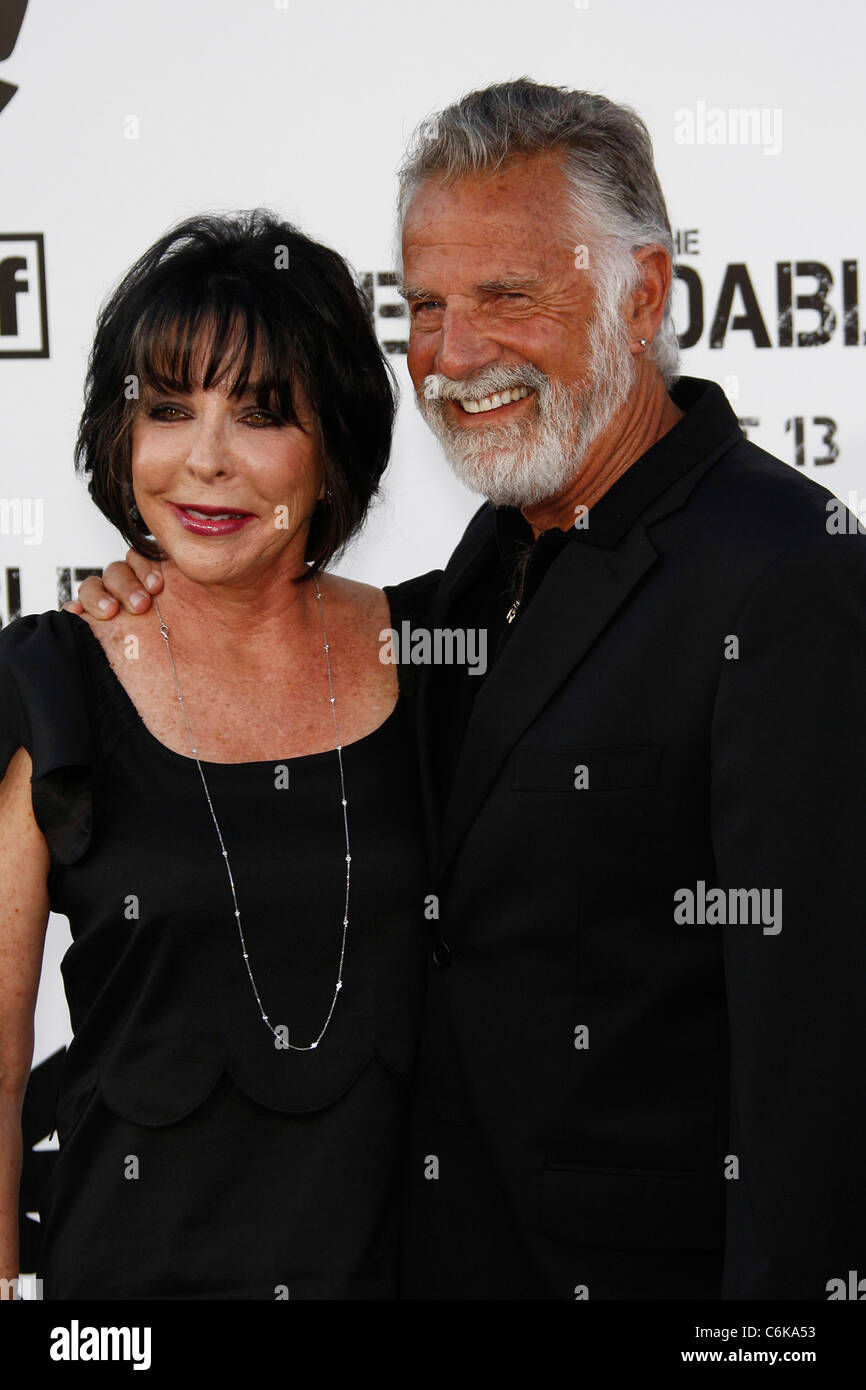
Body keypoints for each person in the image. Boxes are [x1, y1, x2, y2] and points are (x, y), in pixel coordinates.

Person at [71, 79, 866, 1301]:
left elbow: (820, 1069)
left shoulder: (783, 574)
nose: (452, 355)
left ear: (642, 294)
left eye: (506, 297)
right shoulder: (470, 580)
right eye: (425, 306)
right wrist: (171, 596)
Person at [0, 210, 435, 1300]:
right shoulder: (49, 683)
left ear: (333, 447)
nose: (203, 459)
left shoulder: (444, 654)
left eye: (259, 413)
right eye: (167, 409)